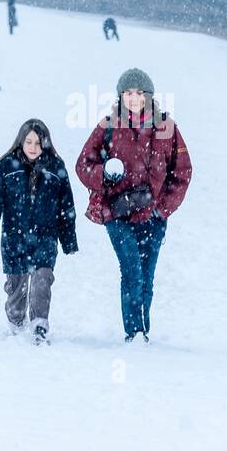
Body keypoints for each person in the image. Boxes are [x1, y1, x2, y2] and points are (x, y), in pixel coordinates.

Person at [75, 68, 192, 342]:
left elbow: (182, 172)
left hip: (153, 217)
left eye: (139, 93)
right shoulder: (107, 127)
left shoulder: (167, 127)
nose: (134, 98)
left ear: (148, 96)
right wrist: (102, 173)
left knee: (147, 278)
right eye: (128, 93)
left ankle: (143, 330)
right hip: (118, 214)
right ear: (120, 96)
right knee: (131, 272)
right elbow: (83, 165)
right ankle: (134, 333)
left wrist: (162, 208)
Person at [0, 119, 78, 342]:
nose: (33, 147)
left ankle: (39, 326)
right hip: (14, 239)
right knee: (16, 286)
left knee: (42, 282)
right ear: (21, 142)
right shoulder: (7, 167)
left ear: (46, 143)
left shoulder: (56, 169)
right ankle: (16, 325)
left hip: (45, 238)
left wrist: (69, 241)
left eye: (38, 142)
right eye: (28, 141)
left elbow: (66, 207)